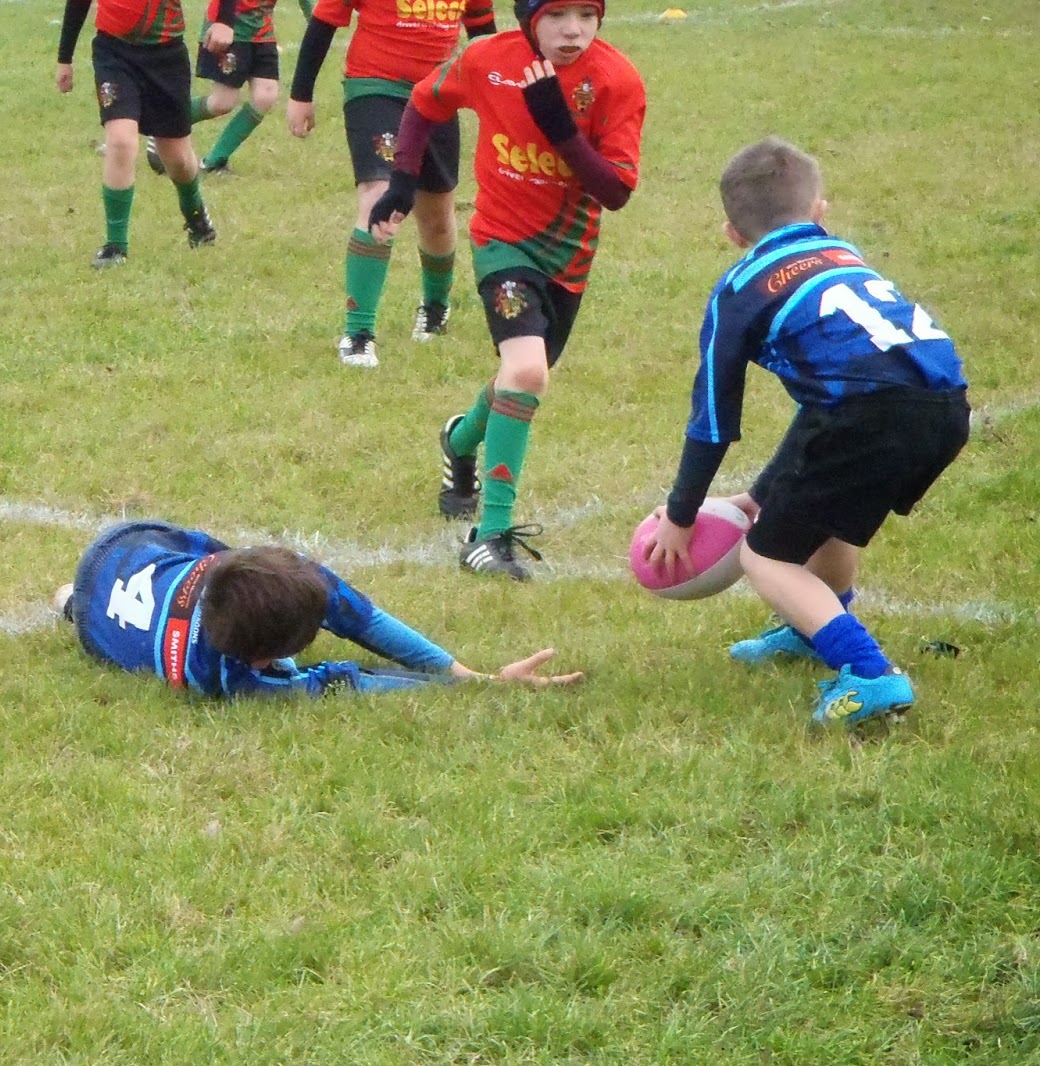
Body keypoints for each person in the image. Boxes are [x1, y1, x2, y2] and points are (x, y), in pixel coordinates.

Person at [642, 137, 969, 728]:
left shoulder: (739, 290)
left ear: (733, 236)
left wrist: (681, 512)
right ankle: (811, 630)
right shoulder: (844, 256)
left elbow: (712, 420)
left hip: (870, 416)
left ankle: (870, 674)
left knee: (765, 557)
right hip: (946, 406)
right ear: (820, 212)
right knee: (827, 517)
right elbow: (837, 394)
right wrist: (763, 491)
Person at [368, 0, 645, 578]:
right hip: (501, 243)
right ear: (527, 19)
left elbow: (614, 192)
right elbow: (422, 104)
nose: (573, 31)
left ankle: (461, 440)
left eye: (586, 16)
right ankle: (490, 536)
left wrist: (561, 130)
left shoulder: (616, 80)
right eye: (557, 16)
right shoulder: (487, 59)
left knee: (519, 378)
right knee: (527, 373)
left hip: (568, 255)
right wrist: (402, 179)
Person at [54, 520, 582, 696]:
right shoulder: (220, 676)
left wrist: (460, 670)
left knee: (227, 562)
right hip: (102, 609)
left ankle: (75, 600)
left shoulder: (264, 568)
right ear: (258, 656)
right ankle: (74, 605)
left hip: (125, 545)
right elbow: (342, 681)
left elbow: (363, 619)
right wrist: (478, 687)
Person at [285, 0, 496, 368]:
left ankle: (434, 307)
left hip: (438, 93)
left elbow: (483, 36)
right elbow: (323, 20)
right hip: (376, 87)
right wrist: (301, 94)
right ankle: (358, 333)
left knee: (437, 217)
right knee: (378, 195)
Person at [57, 0, 221, 268]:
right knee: (121, 141)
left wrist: (224, 21)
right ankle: (115, 247)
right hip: (113, 51)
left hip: (166, 56)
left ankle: (196, 215)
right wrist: (65, 58)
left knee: (177, 159)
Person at [145, 0, 311, 177]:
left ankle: (214, 161)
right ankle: (163, 125)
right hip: (228, 28)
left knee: (266, 95)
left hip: (262, 31)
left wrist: (313, 20)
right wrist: (221, 22)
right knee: (222, 102)